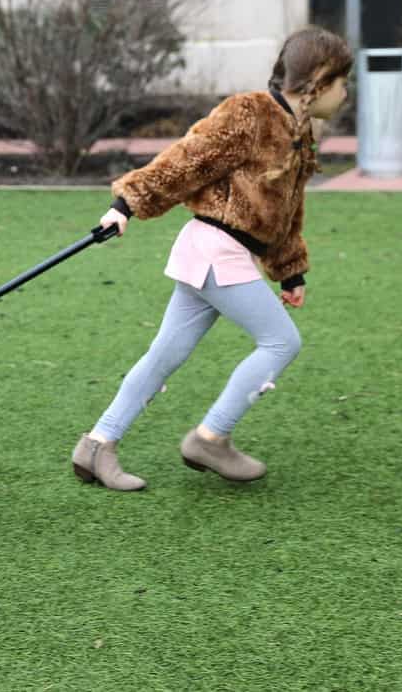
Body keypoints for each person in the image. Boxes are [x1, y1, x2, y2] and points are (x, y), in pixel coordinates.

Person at [71, 26, 352, 491]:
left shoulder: (298, 135)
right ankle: (211, 437)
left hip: (217, 254)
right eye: (343, 83)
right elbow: (189, 158)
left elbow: (286, 212)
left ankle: (97, 445)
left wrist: (290, 270)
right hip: (216, 248)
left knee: (164, 354)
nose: (345, 94)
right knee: (282, 342)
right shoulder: (250, 113)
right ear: (318, 82)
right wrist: (127, 204)